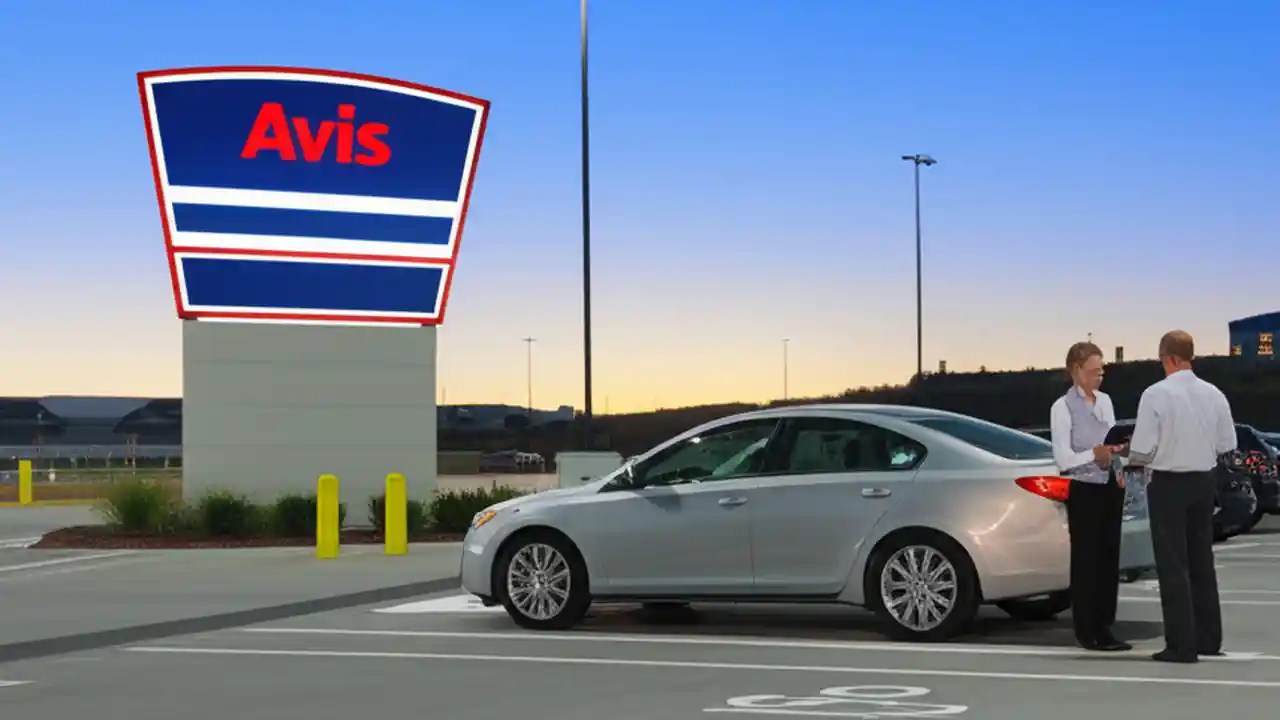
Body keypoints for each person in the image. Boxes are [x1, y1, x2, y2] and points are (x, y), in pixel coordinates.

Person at [1126, 330, 1236, 663]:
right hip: (1204, 481)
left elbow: (1143, 448)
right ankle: (1208, 638)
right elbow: (1226, 444)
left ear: (1168, 357)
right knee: (1202, 560)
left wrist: (1133, 460)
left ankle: (1181, 645)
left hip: (1168, 484)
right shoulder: (1214, 394)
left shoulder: (1155, 394)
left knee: (1173, 564)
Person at [1049, 341, 1130, 652]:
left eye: (1102, 371)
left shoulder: (1106, 401)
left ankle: (1106, 626)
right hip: (1084, 488)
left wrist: (1115, 449)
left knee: (1109, 558)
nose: (1099, 377)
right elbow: (1063, 458)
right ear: (1075, 370)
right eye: (1093, 371)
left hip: (1110, 483)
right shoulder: (1062, 407)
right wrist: (1092, 455)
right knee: (1086, 559)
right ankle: (1087, 629)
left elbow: (1109, 437)